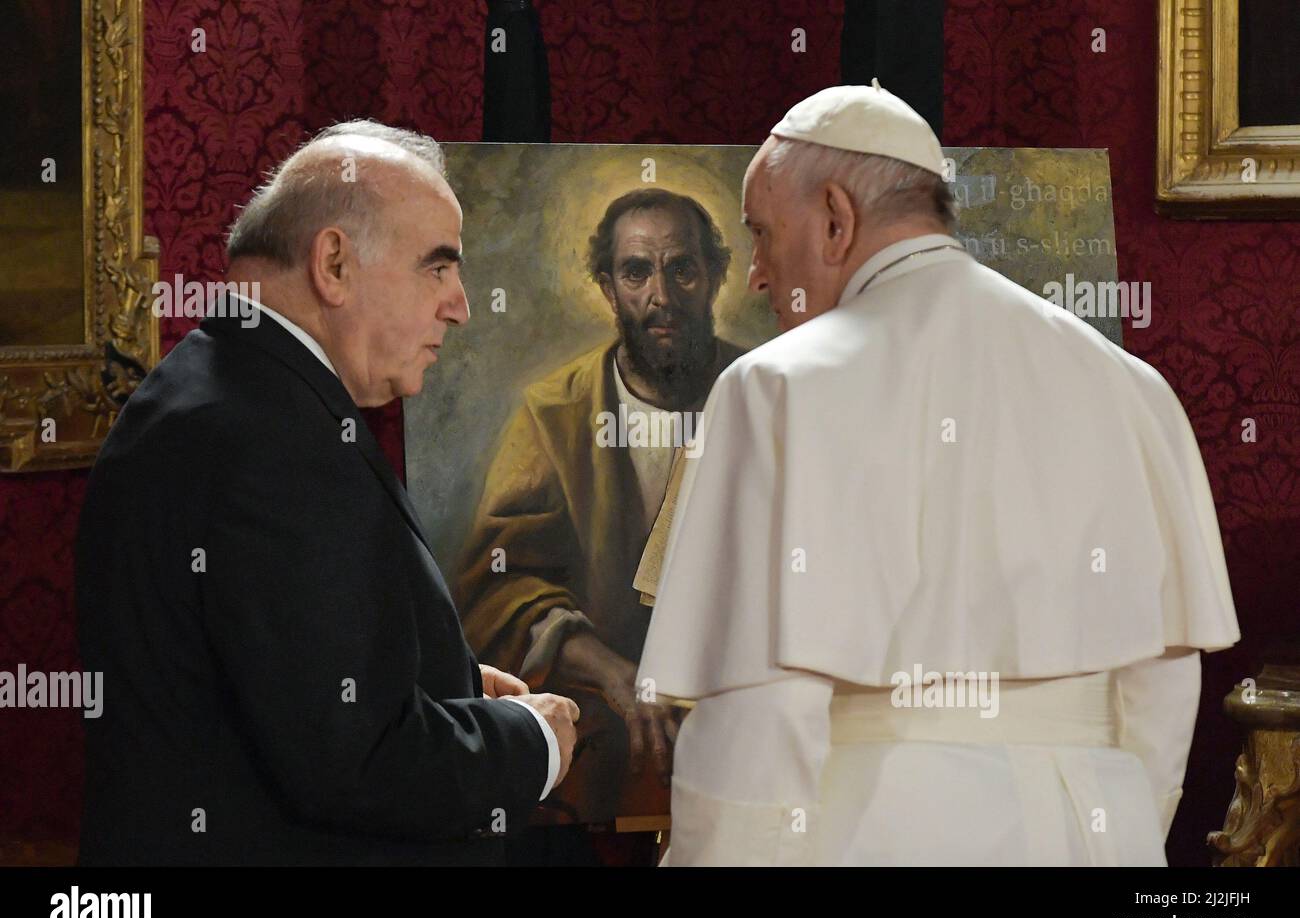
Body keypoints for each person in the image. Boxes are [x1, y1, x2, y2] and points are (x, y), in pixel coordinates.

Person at [637, 84, 1240, 865]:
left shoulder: (774, 388)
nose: (756, 274)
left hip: (867, 832)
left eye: (761, 233)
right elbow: (1163, 681)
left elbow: (757, 716)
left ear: (833, 219)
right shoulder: (1130, 384)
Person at [76, 120, 578, 865]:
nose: (461, 306)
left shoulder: (217, 391)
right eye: (437, 268)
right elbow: (356, 763)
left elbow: (281, 670)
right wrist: (534, 741)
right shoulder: (271, 441)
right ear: (334, 264)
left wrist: (448, 676)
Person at [457, 188, 743, 822]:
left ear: (715, 276)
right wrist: (614, 674)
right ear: (609, 289)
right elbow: (499, 586)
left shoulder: (762, 394)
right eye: (637, 271)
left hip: (745, 736)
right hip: (598, 749)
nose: (661, 296)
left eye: (682, 268)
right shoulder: (556, 413)